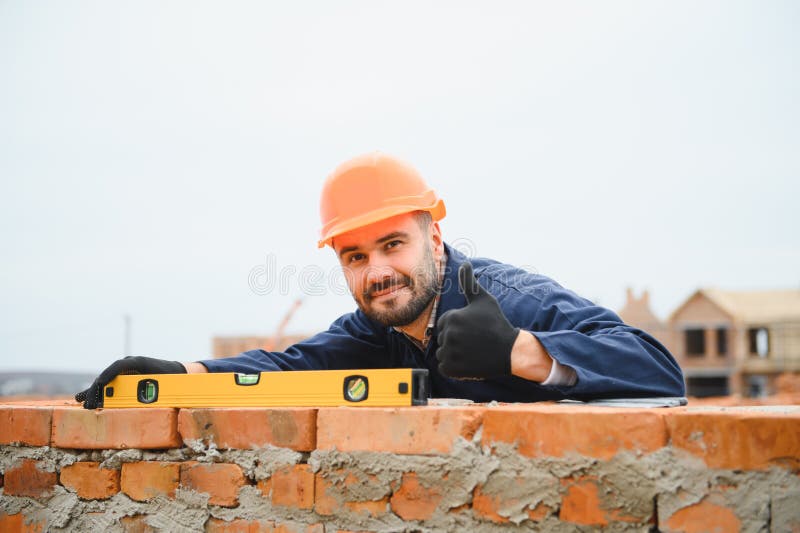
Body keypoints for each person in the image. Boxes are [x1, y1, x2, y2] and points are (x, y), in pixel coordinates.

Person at [76, 153, 684, 408]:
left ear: (435, 240)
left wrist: (522, 352)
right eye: (355, 256)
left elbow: (659, 369)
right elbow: (289, 367)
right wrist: (179, 375)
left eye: (393, 245)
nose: (377, 273)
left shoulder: (508, 301)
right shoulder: (377, 332)